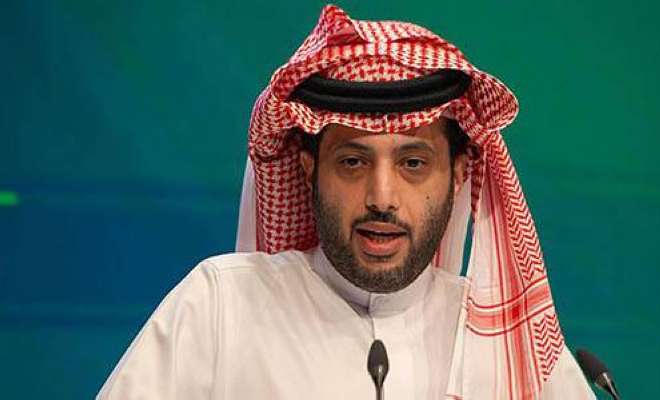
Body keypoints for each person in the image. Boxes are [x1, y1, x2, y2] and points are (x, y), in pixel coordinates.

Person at [97, 5, 595, 399]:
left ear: (460, 172)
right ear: (309, 168)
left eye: (413, 163)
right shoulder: (220, 307)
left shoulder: (511, 347)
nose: (382, 198)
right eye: (353, 162)